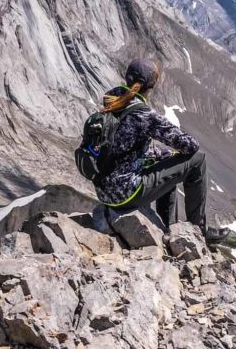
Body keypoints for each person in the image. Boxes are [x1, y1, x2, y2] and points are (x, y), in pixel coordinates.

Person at [94, 57, 228, 245]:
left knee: (165, 163)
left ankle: (169, 227)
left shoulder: (112, 101)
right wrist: (172, 153)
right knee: (198, 160)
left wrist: (164, 155)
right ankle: (199, 231)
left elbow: (125, 151)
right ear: (151, 86)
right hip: (125, 194)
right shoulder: (142, 114)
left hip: (104, 190)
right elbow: (190, 145)